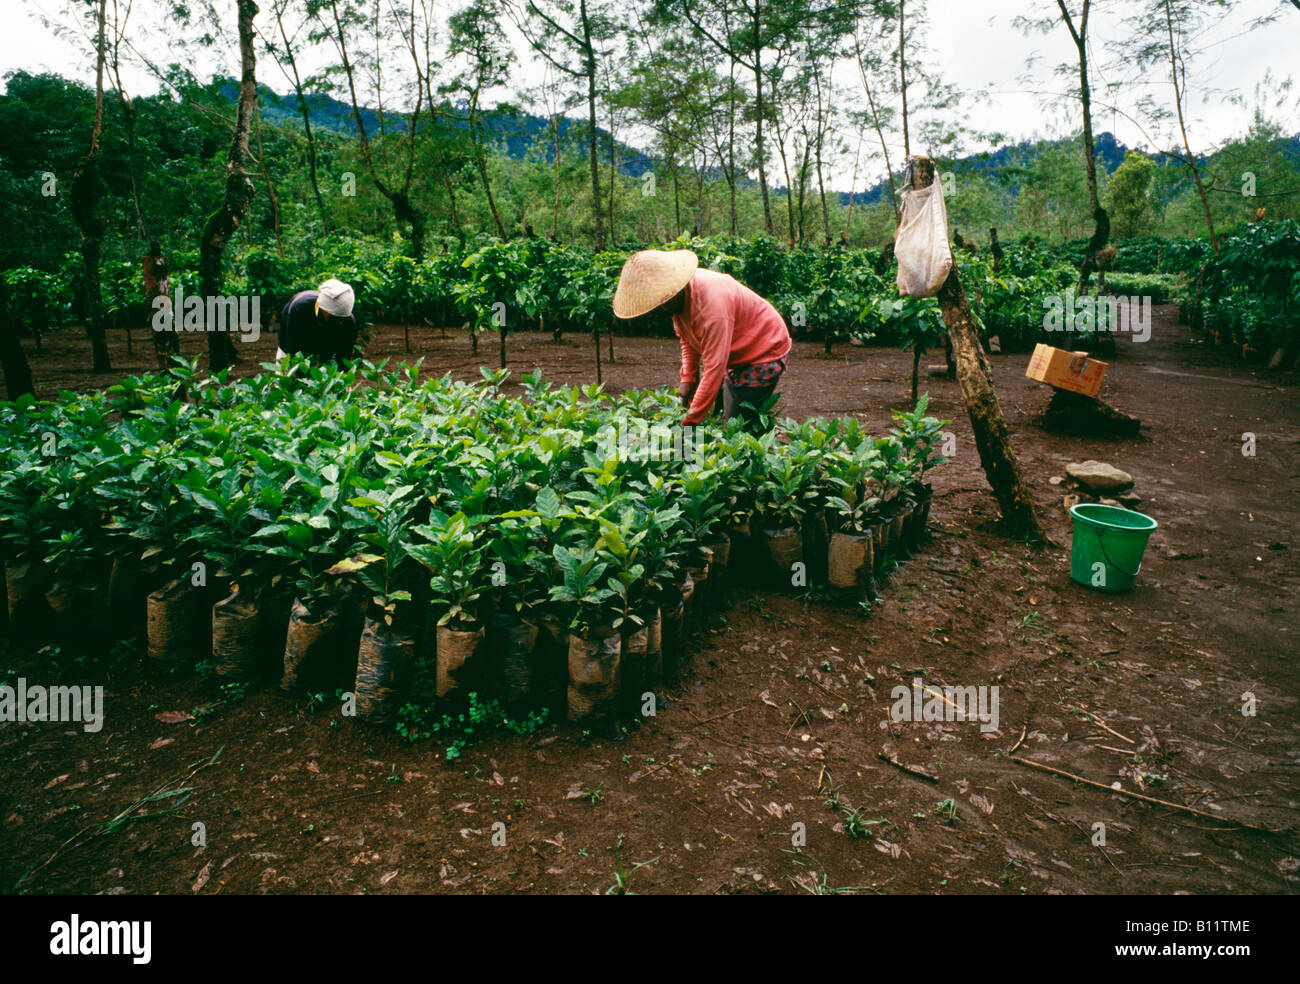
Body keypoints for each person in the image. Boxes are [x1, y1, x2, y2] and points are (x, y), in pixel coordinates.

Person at [612, 250, 791, 432]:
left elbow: (714, 368)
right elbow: (688, 339)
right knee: (719, 411)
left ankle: (755, 453)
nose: (661, 306)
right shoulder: (677, 300)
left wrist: (688, 425)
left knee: (736, 425)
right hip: (735, 349)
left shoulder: (713, 307)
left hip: (764, 350)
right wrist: (687, 378)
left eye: (664, 300)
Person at [277, 279, 358, 367]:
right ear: (323, 309)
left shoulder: (348, 321)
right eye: (333, 317)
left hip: (325, 346)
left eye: (340, 319)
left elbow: (344, 357)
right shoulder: (300, 309)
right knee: (289, 373)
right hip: (292, 343)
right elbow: (293, 347)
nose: (339, 323)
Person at [143, 241, 177, 370]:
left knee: (170, 334)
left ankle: (171, 361)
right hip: (156, 303)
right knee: (160, 336)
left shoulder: (163, 261)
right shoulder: (149, 262)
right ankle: (164, 364)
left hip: (165, 302)